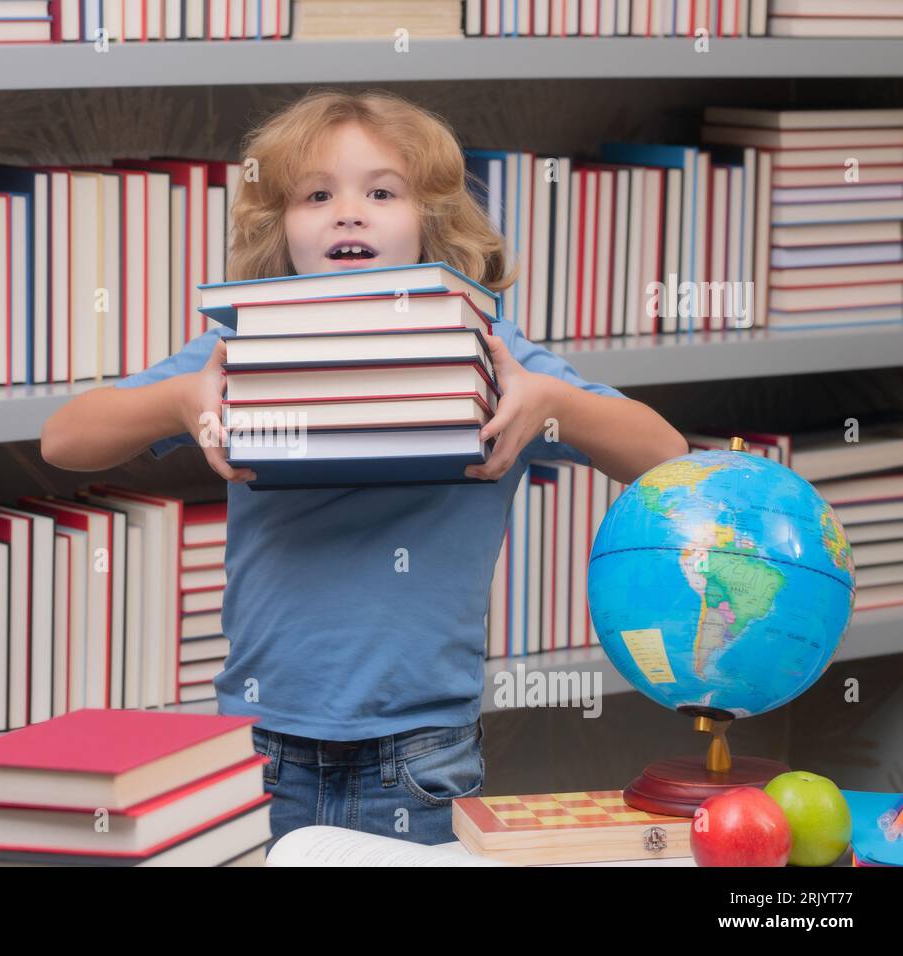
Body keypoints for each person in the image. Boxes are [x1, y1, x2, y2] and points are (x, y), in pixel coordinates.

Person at [41, 89, 689, 848]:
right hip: (260, 740)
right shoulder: (241, 348)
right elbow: (64, 441)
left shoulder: (492, 350)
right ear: (281, 227)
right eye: (317, 195)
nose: (348, 212)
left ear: (431, 223)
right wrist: (181, 401)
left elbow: (667, 458)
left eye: (382, 192)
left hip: (421, 750)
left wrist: (553, 404)